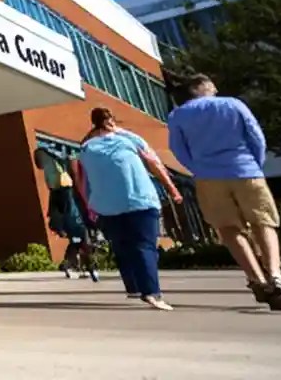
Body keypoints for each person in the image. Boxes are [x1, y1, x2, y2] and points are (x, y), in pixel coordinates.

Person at [167, 74, 281, 311]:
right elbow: (256, 137)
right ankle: (275, 275)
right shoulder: (233, 104)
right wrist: (256, 163)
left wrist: (197, 169)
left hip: (208, 176)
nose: (215, 88)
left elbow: (178, 149)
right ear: (201, 87)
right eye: (212, 85)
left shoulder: (178, 115)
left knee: (228, 228)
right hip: (246, 169)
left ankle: (256, 279)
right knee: (263, 222)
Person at [75, 108, 182, 311]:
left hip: (105, 206)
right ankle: (151, 293)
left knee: (122, 246)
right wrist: (172, 189)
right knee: (145, 246)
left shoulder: (86, 148)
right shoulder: (129, 138)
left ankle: (133, 286)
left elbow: (83, 180)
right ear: (112, 121)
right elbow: (153, 163)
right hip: (139, 199)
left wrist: (89, 203)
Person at [34, 147, 98, 281]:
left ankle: (75, 265)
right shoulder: (60, 166)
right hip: (68, 198)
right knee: (81, 237)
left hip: (60, 197)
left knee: (77, 239)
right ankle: (84, 266)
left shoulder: (48, 167)